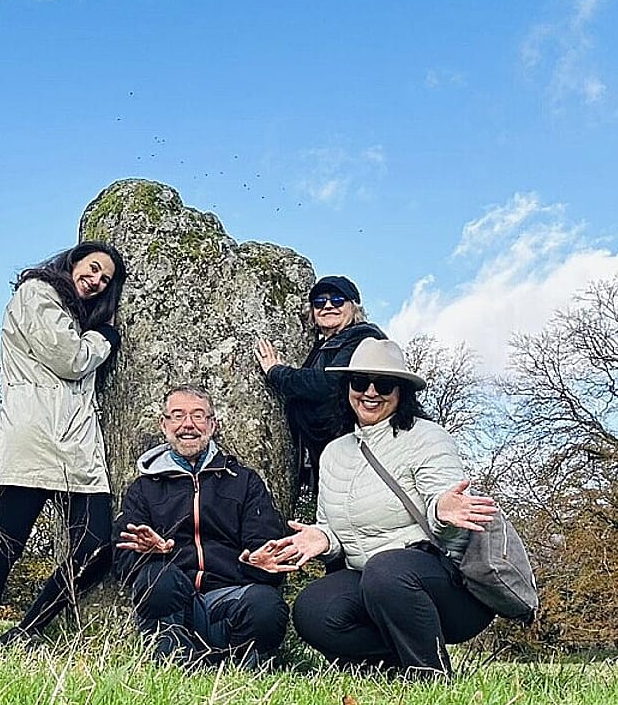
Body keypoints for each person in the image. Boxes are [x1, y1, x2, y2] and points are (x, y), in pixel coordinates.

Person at [246, 338, 497, 678]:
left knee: (386, 571)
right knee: (312, 610)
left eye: (384, 384)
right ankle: (390, 668)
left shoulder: (427, 438)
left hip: (444, 589)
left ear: (401, 392)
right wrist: (322, 539)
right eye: (360, 382)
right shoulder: (334, 453)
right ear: (347, 388)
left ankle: (431, 675)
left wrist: (442, 510)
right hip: (371, 583)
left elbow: (447, 509)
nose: (371, 392)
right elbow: (332, 524)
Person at [0, 241, 127, 644]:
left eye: (104, 280)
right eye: (92, 269)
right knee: (8, 542)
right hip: (35, 435)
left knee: (96, 548)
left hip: (76, 445)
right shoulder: (36, 293)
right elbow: (69, 357)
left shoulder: (74, 314)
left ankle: (25, 631)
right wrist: (103, 339)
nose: (95, 281)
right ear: (73, 261)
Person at [114, 386, 289, 669]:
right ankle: (174, 664)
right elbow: (122, 558)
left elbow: (267, 548)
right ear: (164, 424)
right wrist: (152, 554)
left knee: (267, 606)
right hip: (175, 604)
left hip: (229, 598)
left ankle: (236, 670)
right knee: (155, 579)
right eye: (178, 416)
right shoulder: (144, 489)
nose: (188, 425)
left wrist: (257, 562)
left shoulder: (243, 481)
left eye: (198, 416)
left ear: (212, 424)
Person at [254, 275, 386, 497]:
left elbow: (329, 383)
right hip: (327, 456)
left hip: (354, 452)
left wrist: (276, 372)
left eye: (337, 300)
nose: (327, 306)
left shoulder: (364, 338)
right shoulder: (322, 347)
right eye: (319, 302)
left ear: (354, 307)